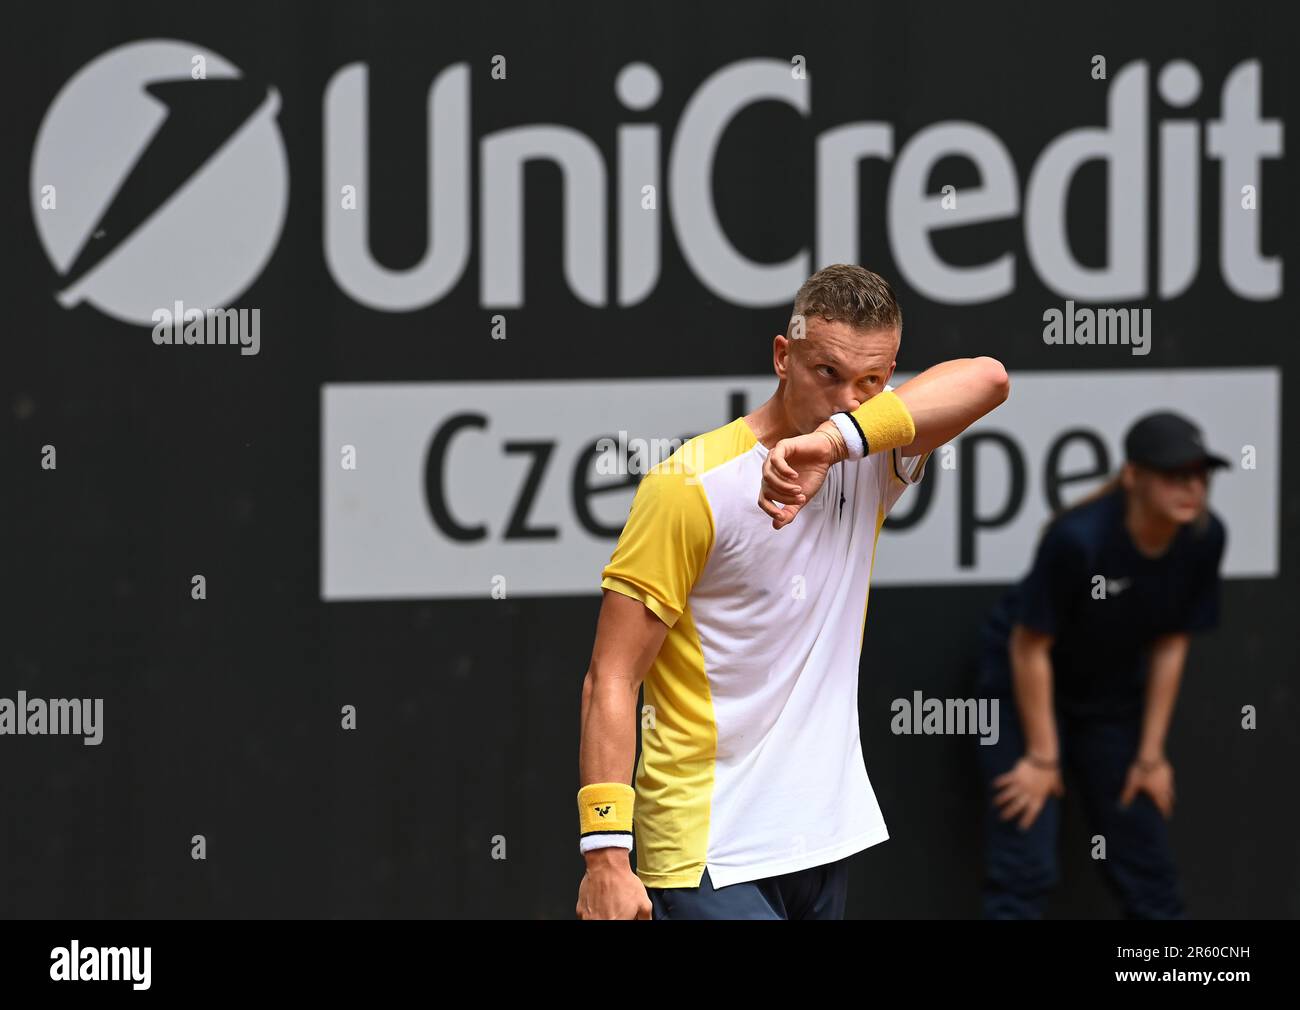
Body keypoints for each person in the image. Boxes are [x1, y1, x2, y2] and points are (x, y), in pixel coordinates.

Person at [574, 264, 1010, 919]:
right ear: (784, 356)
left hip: (816, 841)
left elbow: (989, 378)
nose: (848, 400)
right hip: (708, 849)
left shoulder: (868, 456)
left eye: (872, 381)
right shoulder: (689, 486)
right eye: (826, 373)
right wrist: (606, 856)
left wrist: (833, 445)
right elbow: (611, 677)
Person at [975, 411, 1229, 919]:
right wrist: (1043, 759)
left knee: (1146, 866)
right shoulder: (1078, 539)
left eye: (1200, 475)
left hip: (1108, 701)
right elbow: (1029, 648)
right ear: (1133, 476)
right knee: (1026, 870)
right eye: (1175, 474)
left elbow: (1170, 643)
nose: (1191, 488)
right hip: (1019, 692)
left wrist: (1151, 756)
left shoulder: (1203, 538)